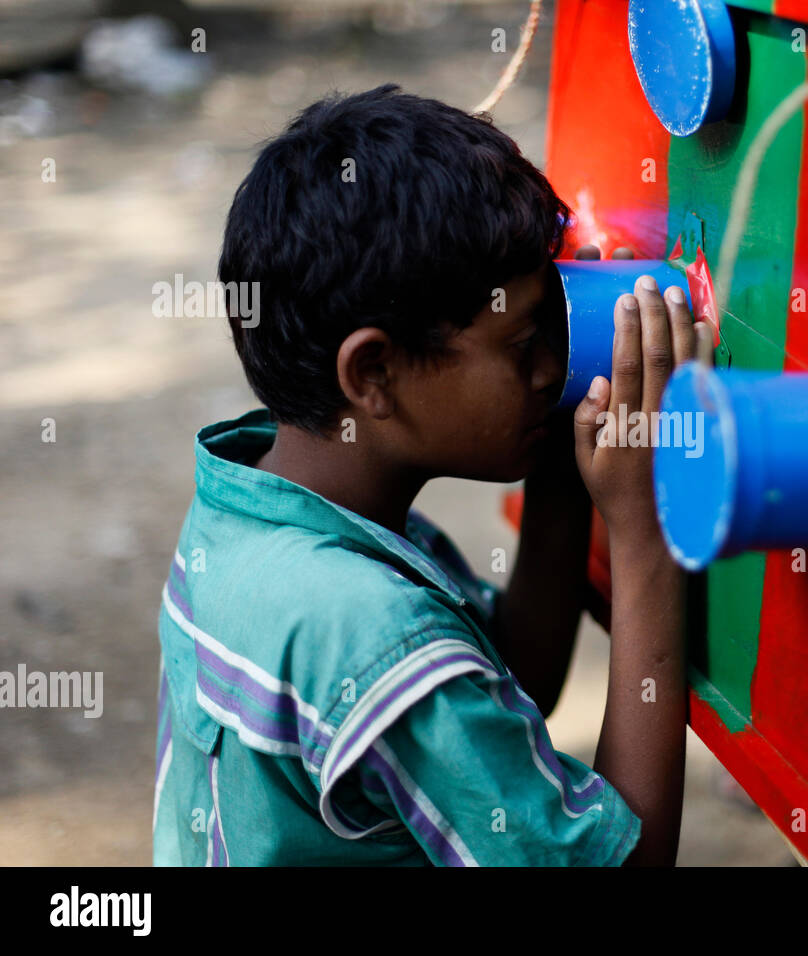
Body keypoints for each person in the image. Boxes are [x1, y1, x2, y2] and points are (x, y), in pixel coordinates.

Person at [153, 84, 700, 866]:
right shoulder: (371, 630)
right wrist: (642, 541)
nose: (553, 368)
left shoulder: (250, 510)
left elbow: (515, 680)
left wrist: (560, 465)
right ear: (373, 372)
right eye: (522, 344)